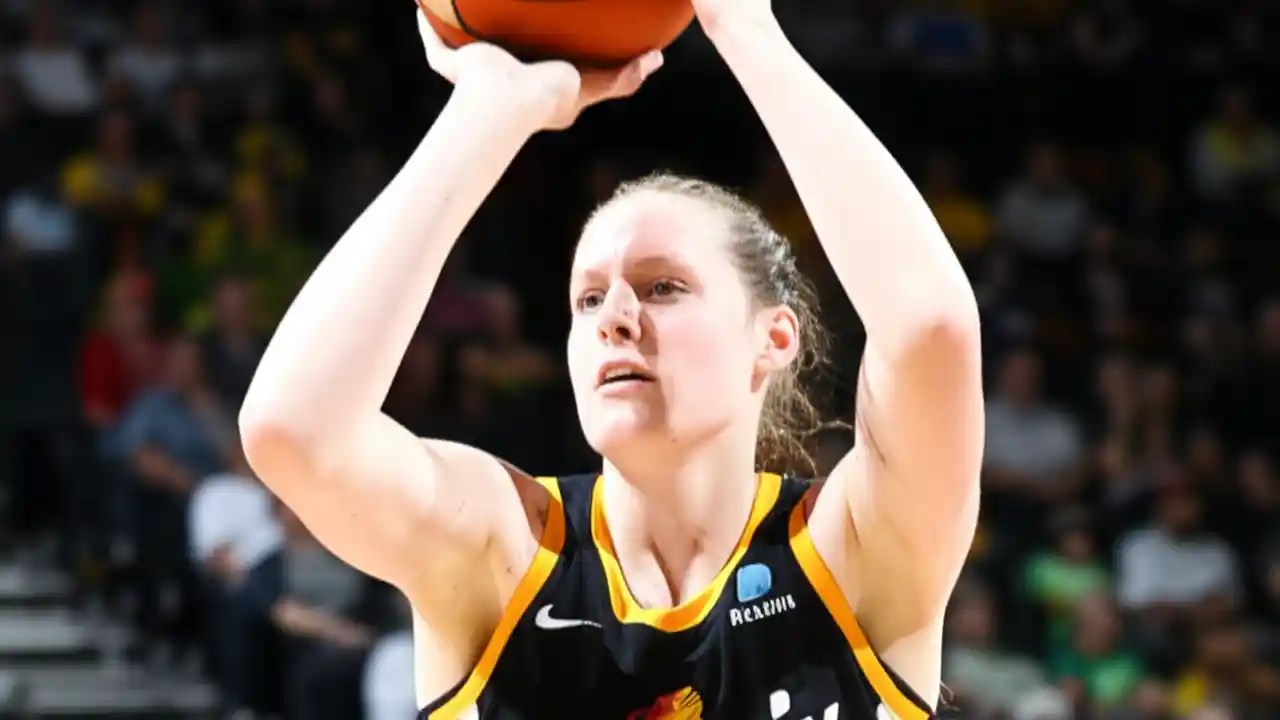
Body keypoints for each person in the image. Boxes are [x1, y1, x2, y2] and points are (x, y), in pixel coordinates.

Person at [239, 1, 984, 718]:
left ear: (773, 338)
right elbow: (293, 430)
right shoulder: (506, 551)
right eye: (589, 298)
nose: (615, 319)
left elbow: (931, 329)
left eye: (663, 287)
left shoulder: (853, 554)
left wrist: (745, 27)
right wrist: (487, 114)